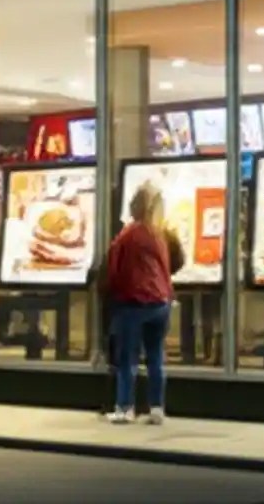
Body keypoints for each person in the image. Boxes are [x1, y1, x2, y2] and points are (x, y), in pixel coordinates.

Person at [104, 182, 174, 425]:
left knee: (128, 359)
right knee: (155, 358)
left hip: (134, 303)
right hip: (160, 303)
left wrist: (112, 294)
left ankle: (125, 408)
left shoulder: (129, 234)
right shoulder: (159, 234)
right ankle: (156, 408)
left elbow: (115, 270)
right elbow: (166, 269)